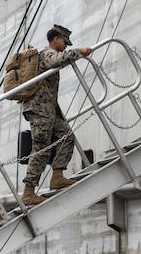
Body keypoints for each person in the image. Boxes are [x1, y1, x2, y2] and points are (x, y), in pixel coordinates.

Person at [20, 24, 93, 206]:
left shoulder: (49, 53)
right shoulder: (47, 53)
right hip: (40, 111)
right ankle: (28, 192)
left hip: (49, 111)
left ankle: (57, 177)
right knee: (41, 149)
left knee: (66, 137)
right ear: (56, 40)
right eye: (64, 42)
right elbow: (55, 61)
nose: (66, 46)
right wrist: (79, 52)